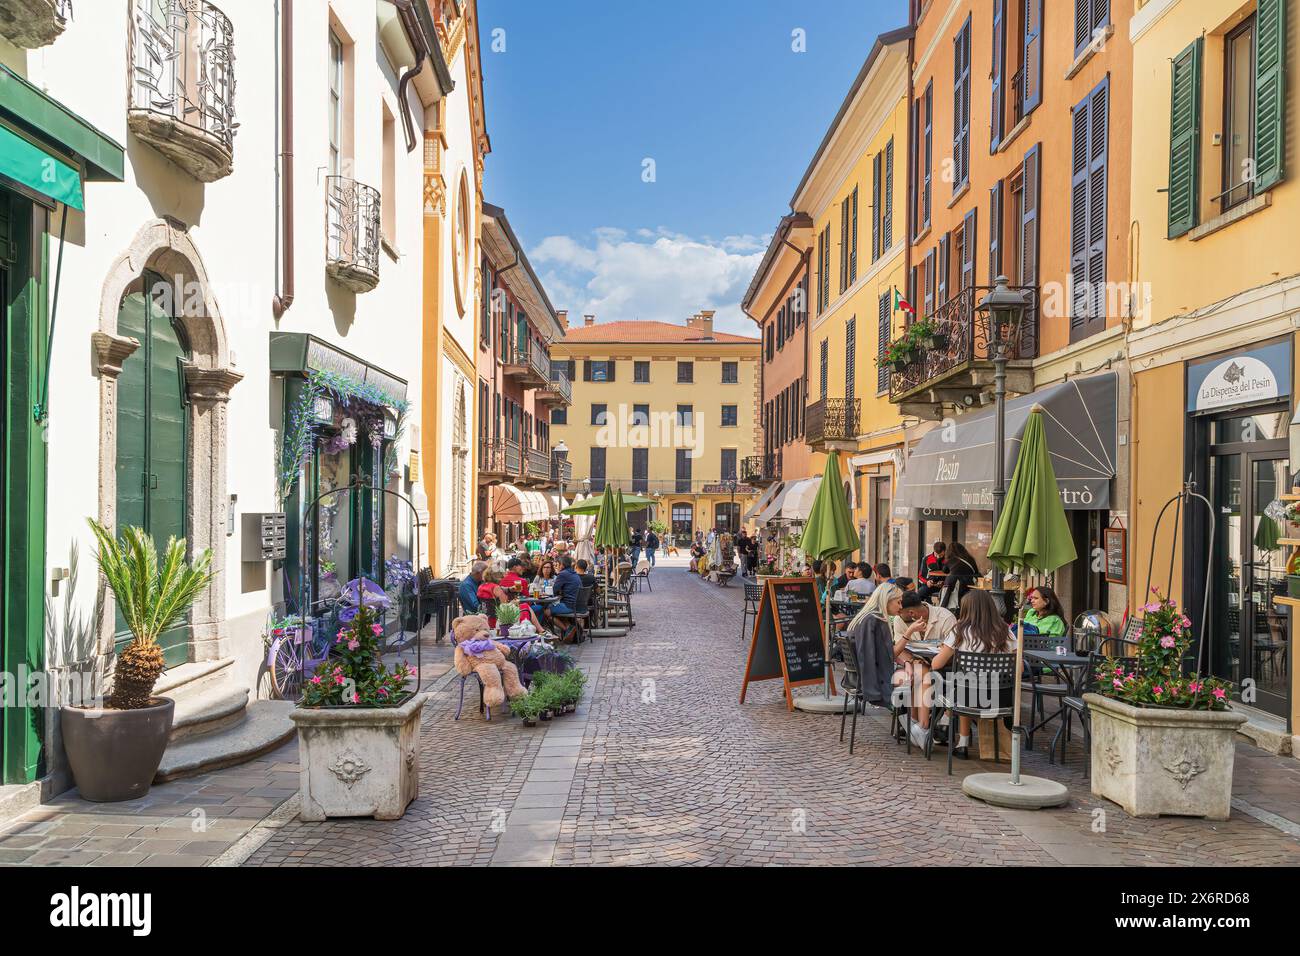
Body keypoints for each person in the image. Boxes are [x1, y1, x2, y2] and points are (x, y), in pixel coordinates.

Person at [920, 589, 1016, 759]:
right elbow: (1019, 669)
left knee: (961, 684)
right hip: (1002, 698)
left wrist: (945, 649)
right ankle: (949, 726)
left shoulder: (960, 631)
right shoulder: (1006, 632)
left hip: (968, 698)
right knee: (965, 683)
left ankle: (958, 737)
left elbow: (936, 664)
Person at [937, 541, 981, 612]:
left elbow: (945, 570)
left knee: (946, 586)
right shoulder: (970, 559)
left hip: (956, 584)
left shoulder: (951, 559)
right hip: (971, 584)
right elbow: (975, 571)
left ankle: (942, 609)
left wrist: (940, 559)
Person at [545, 555, 583, 625]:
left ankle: (567, 629)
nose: (556, 566)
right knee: (554, 607)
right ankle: (571, 628)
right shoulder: (574, 573)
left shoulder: (563, 574)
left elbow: (553, 591)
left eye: (557, 564)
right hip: (578, 606)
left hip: (569, 606)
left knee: (545, 611)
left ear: (562, 565)